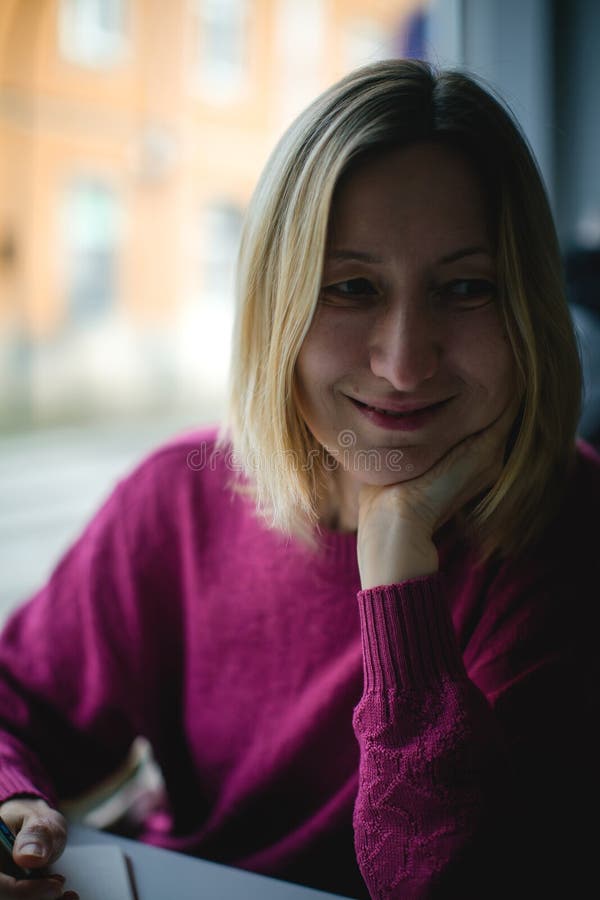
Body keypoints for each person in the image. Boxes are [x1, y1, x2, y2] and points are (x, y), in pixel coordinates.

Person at [0, 58, 598, 900]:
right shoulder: (180, 499)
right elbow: (16, 698)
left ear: (526, 311)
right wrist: (11, 804)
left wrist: (398, 572)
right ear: (275, 308)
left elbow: (444, 879)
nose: (403, 362)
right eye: (351, 288)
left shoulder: (572, 531)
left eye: (466, 289)